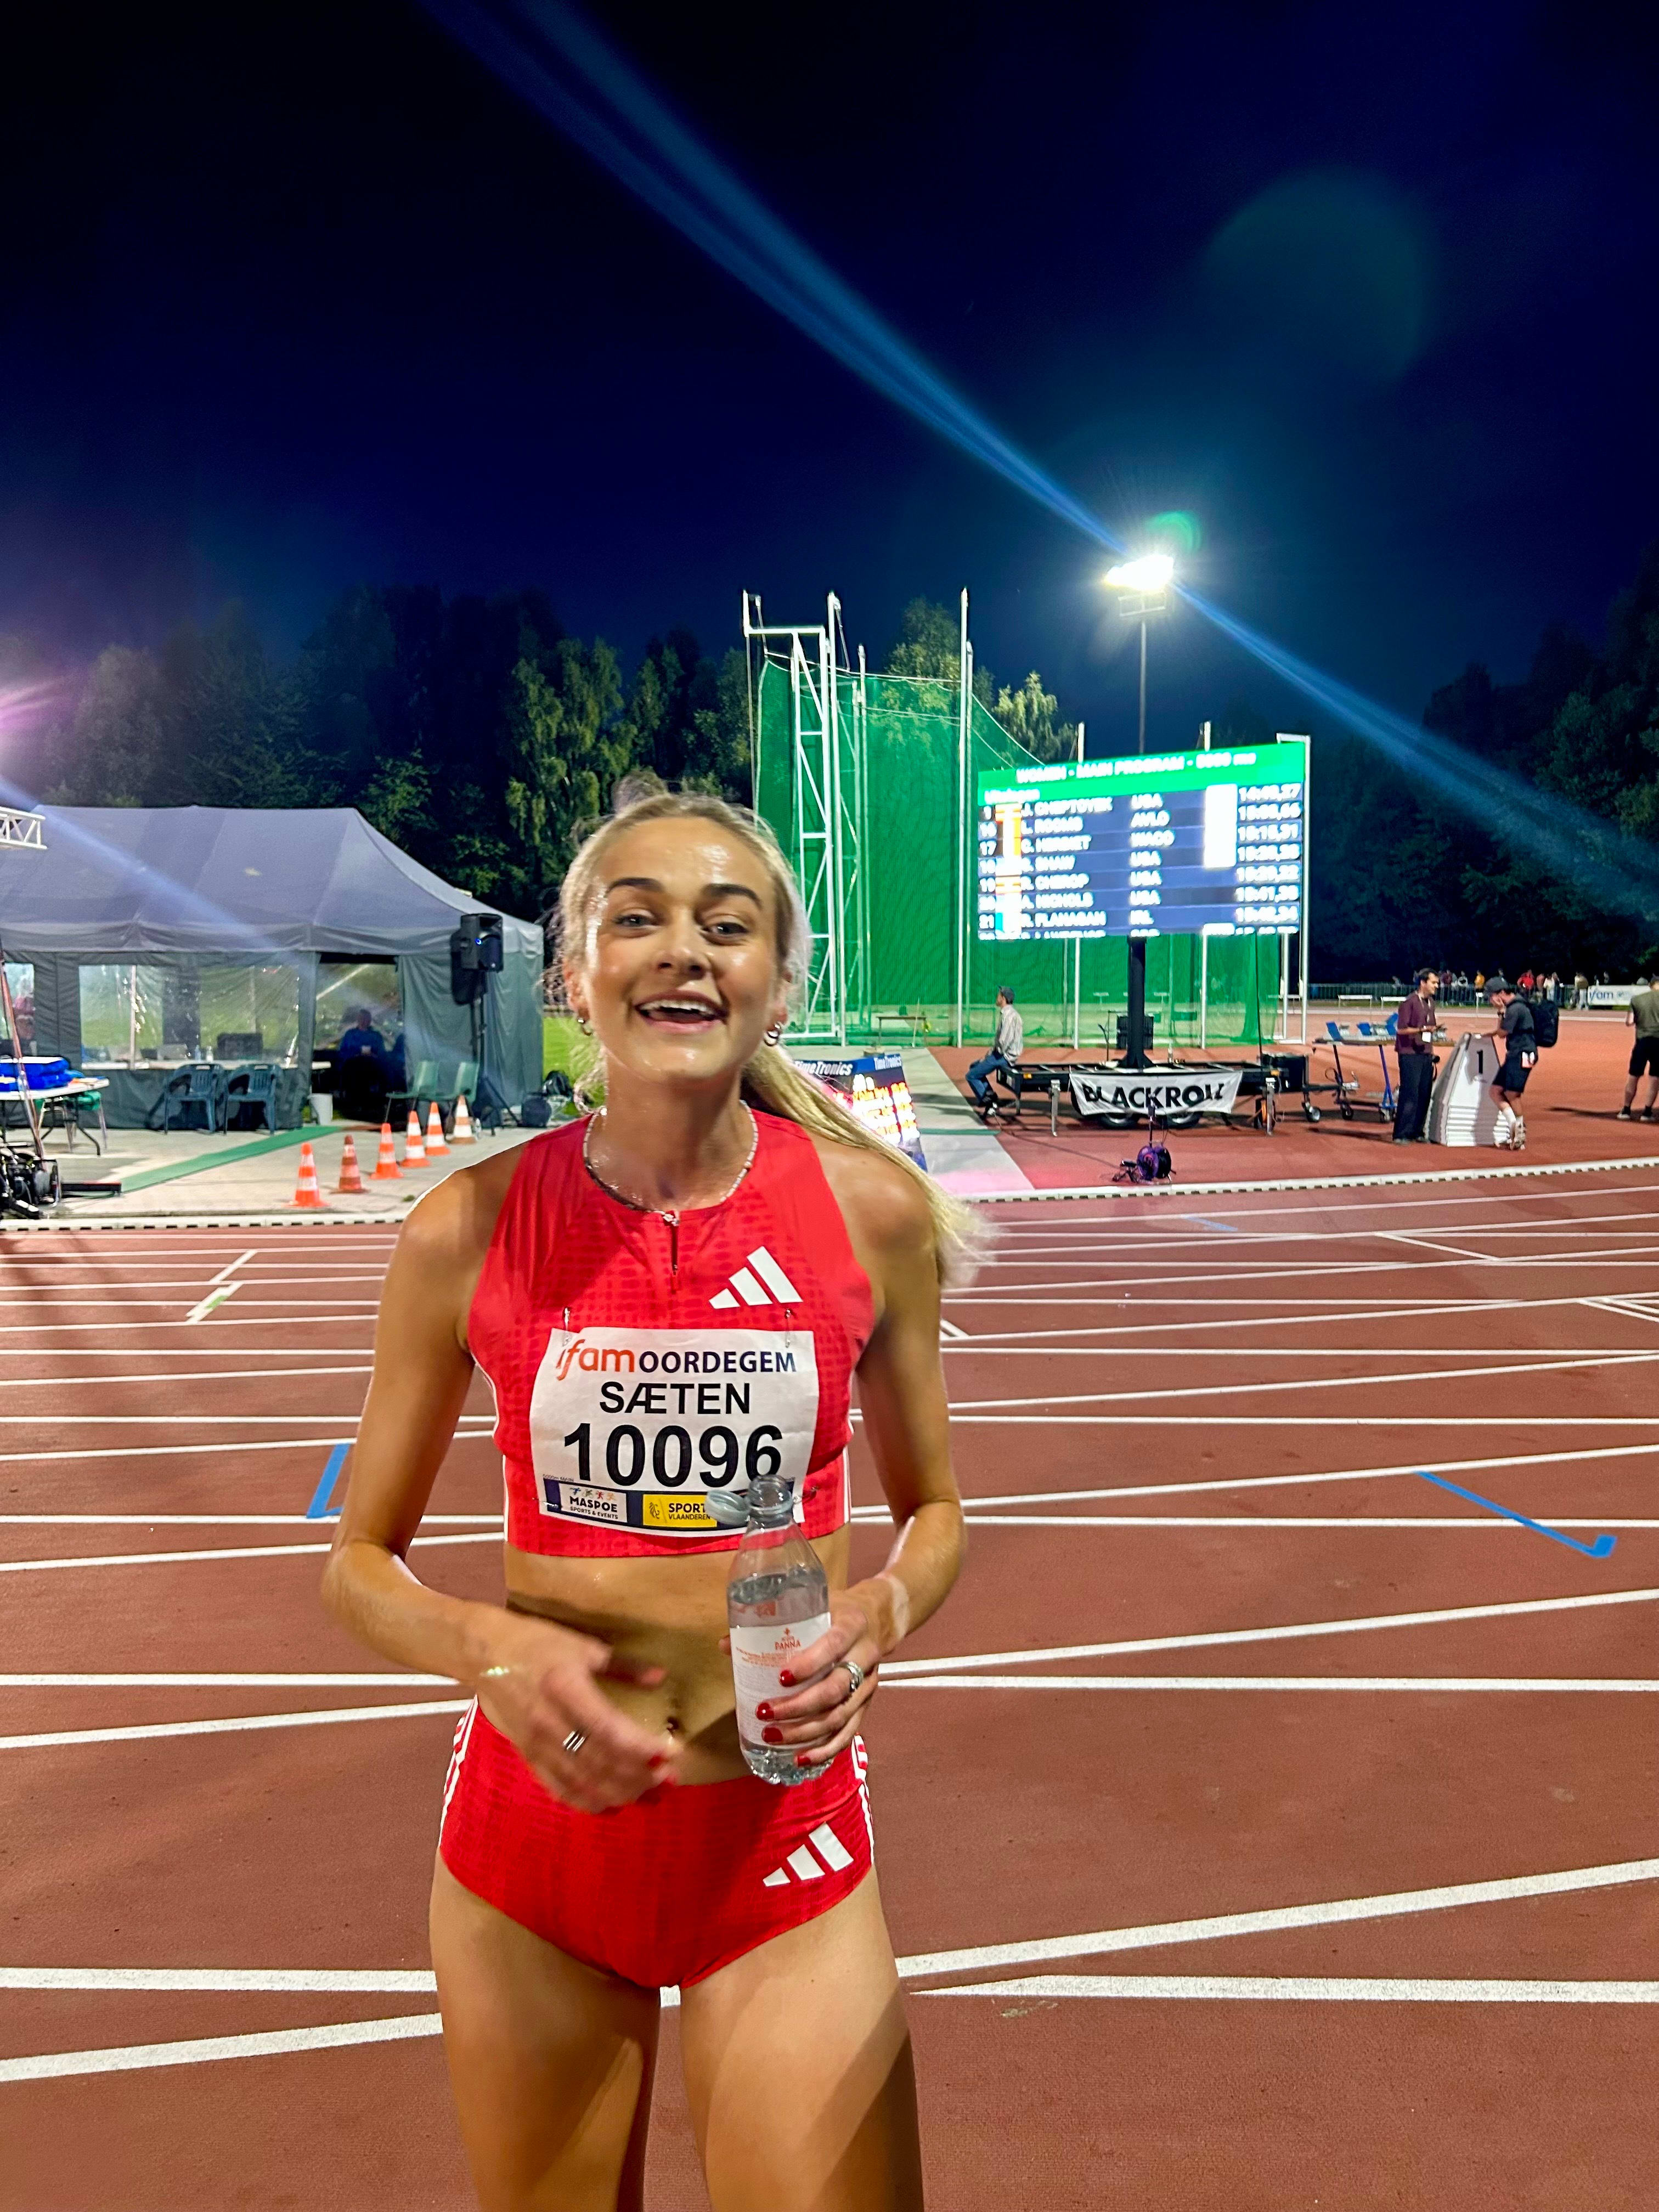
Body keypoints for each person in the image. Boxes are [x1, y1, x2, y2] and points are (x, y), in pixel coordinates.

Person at [323, 787, 969, 2212]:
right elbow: (357, 1561)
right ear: (575, 973)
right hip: (534, 1862)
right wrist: (494, 1651)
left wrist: (883, 1606)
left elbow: (937, 1518)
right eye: (638, 918)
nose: (685, 952)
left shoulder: (874, 1216)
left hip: (780, 1839)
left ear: (779, 982)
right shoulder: (465, 1229)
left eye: (727, 925)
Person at [1485, 976, 1534, 1148]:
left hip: (1522, 1054)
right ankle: (1515, 1128)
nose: (1490, 1000)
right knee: (1495, 1090)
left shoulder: (1515, 1009)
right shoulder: (1517, 1006)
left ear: (1500, 994)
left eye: (1490, 996)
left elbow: (1502, 1032)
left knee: (1513, 1094)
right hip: (1516, 1053)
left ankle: (1519, 1132)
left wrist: (1500, 1012)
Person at [1391, 967, 1439, 1143]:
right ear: (1423, 983)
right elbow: (1402, 1029)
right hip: (1409, 1053)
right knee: (1410, 1093)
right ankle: (1401, 1133)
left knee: (1424, 1093)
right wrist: (1421, 1030)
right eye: (1434, 983)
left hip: (1426, 1052)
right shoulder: (1409, 1002)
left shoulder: (1431, 1003)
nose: (1437, 986)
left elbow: (1428, 1025)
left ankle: (1417, 1131)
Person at [966, 985, 1024, 1116]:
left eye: (999, 995)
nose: (997, 997)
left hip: (1004, 1057)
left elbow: (1004, 1042)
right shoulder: (1008, 1014)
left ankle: (989, 1103)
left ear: (1003, 998)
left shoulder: (1009, 1016)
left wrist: (993, 1055)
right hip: (1001, 1054)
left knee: (971, 1075)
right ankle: (990, 1097)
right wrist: (990, 1053)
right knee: (974, 1066)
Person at [1618, 974, 1659, 1120]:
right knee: (1655, 1077)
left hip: (1642, 1041)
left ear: (1650, 985)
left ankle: (1626, 1109)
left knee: (1634, 1076)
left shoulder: (1637, 1000)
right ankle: (1647, 1112)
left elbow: (1629, 1022)